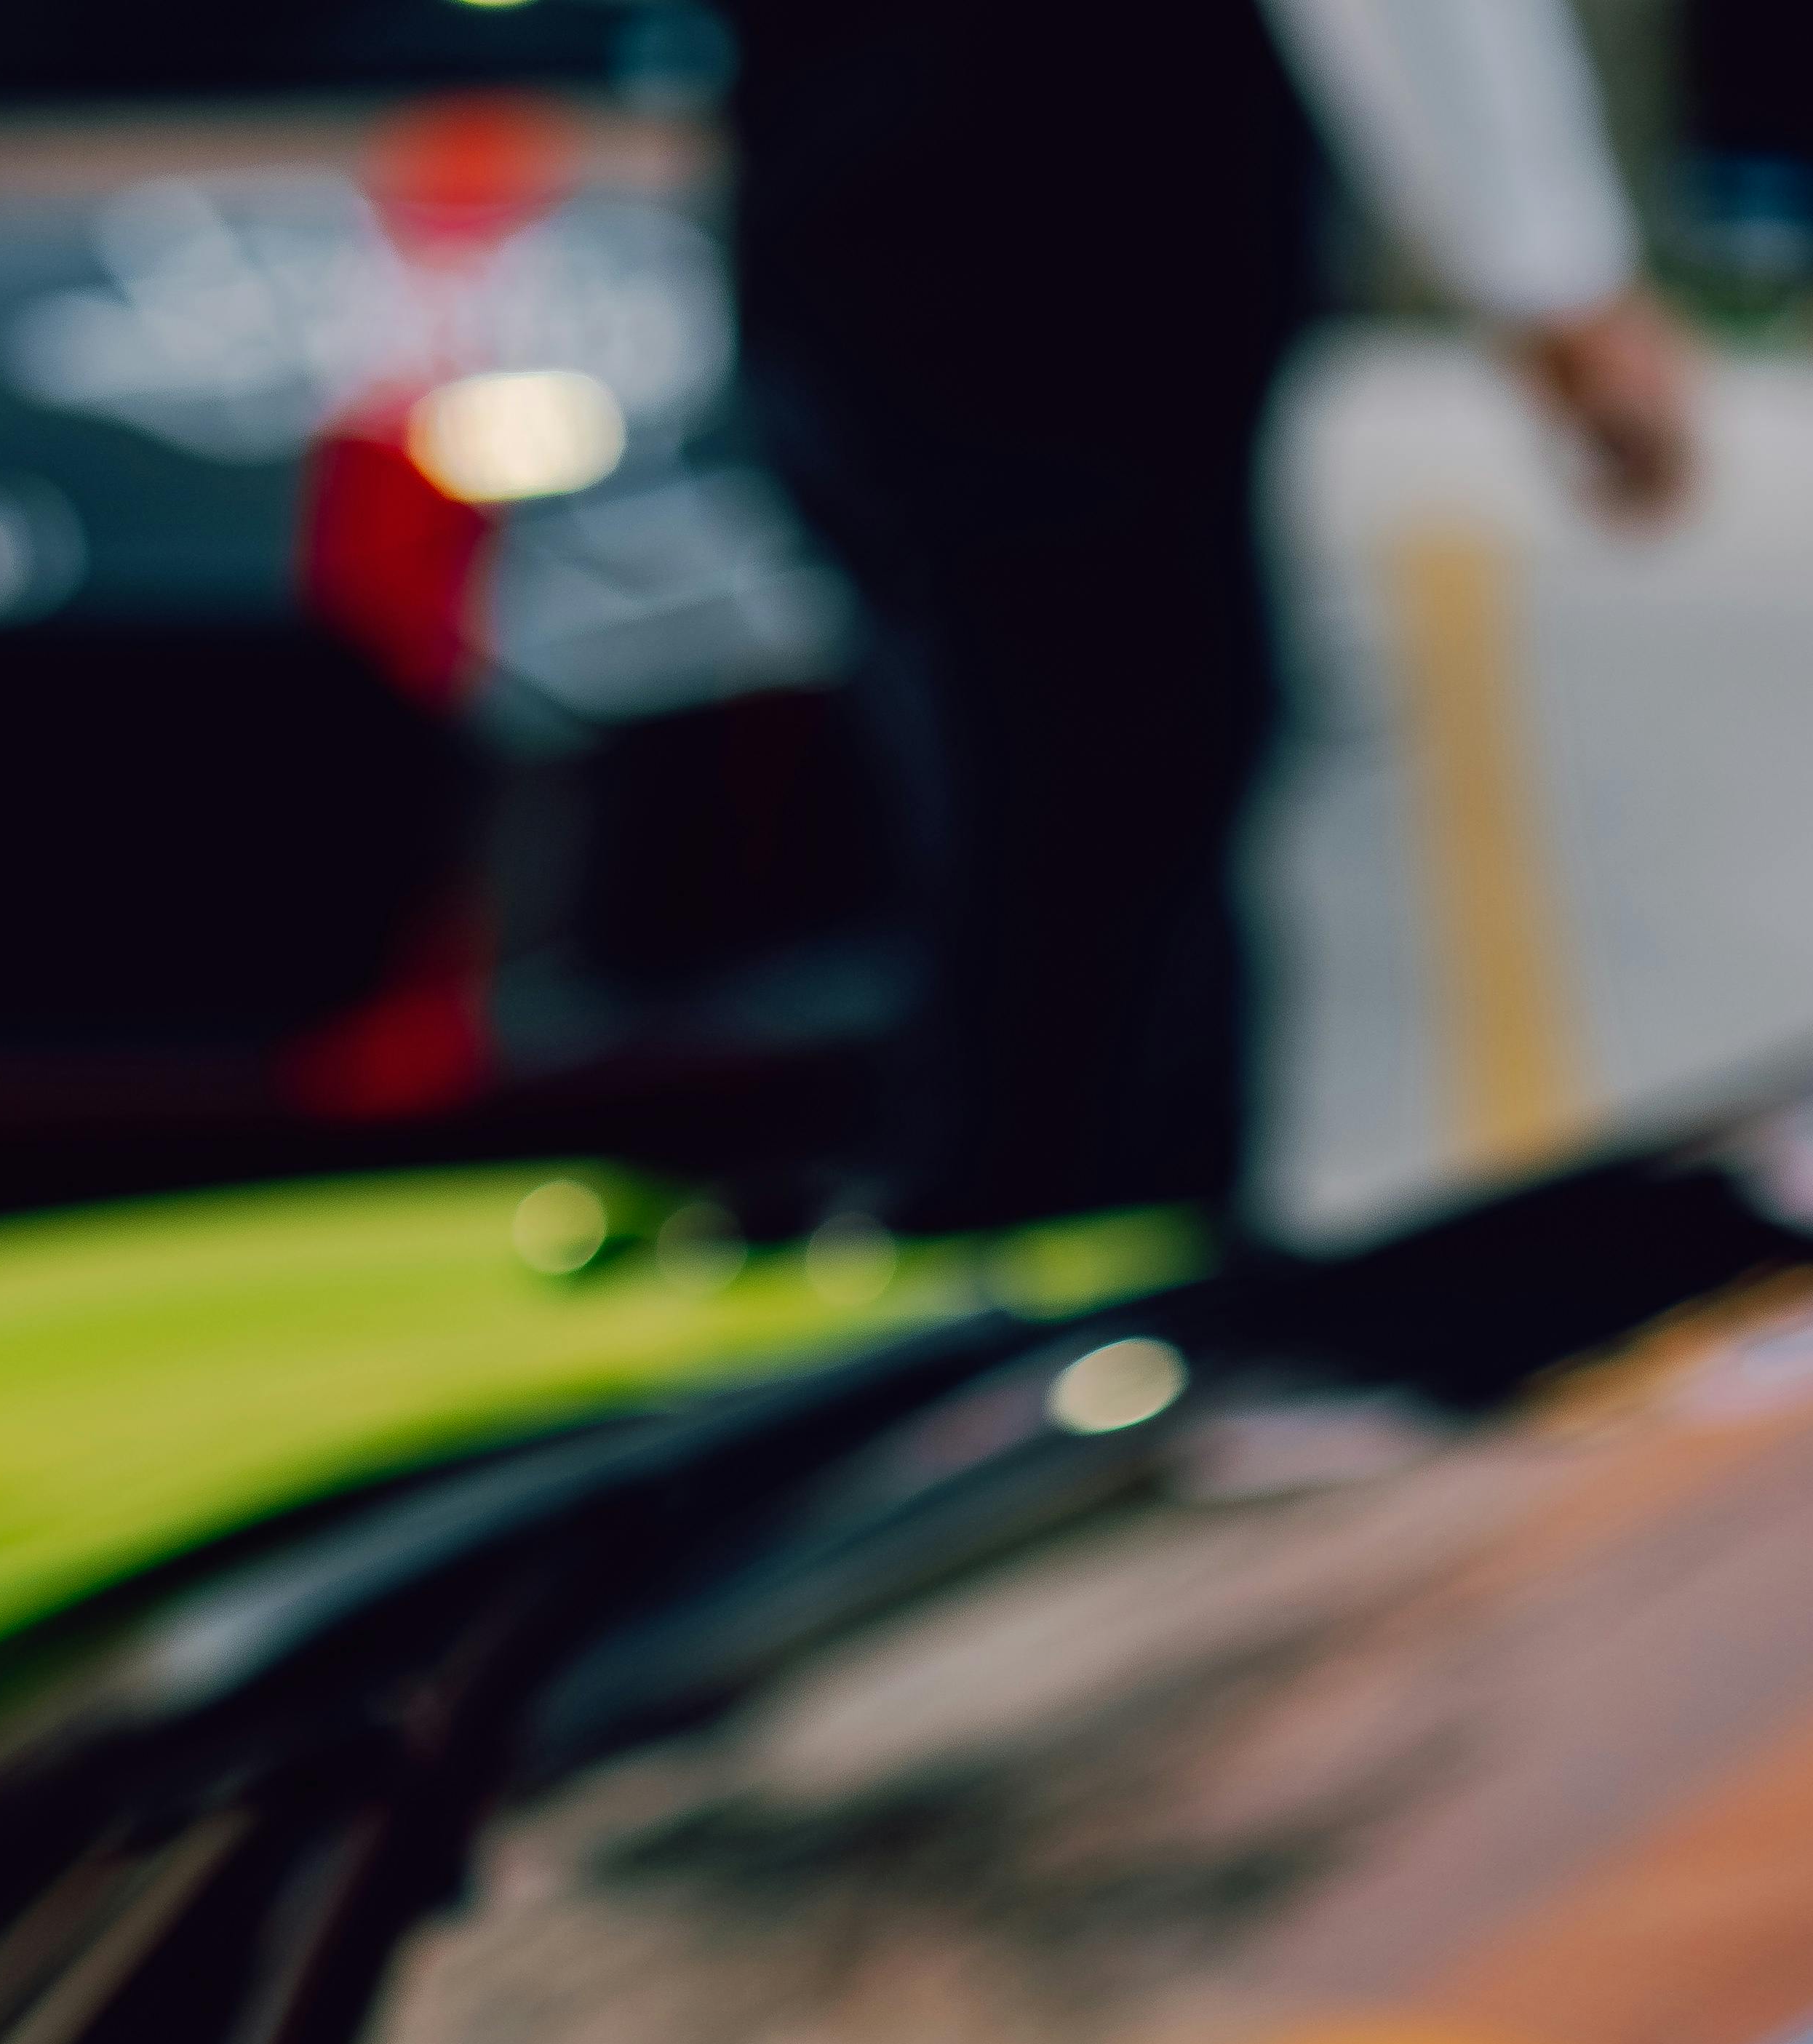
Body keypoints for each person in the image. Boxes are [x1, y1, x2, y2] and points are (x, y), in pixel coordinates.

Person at [727, 0, 1698, 1237]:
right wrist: (1555, 271)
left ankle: (1024, 1258)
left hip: (861, 187)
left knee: (1016, 781)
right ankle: (1081, 1311)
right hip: (1071, 204)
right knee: (1105, 799)